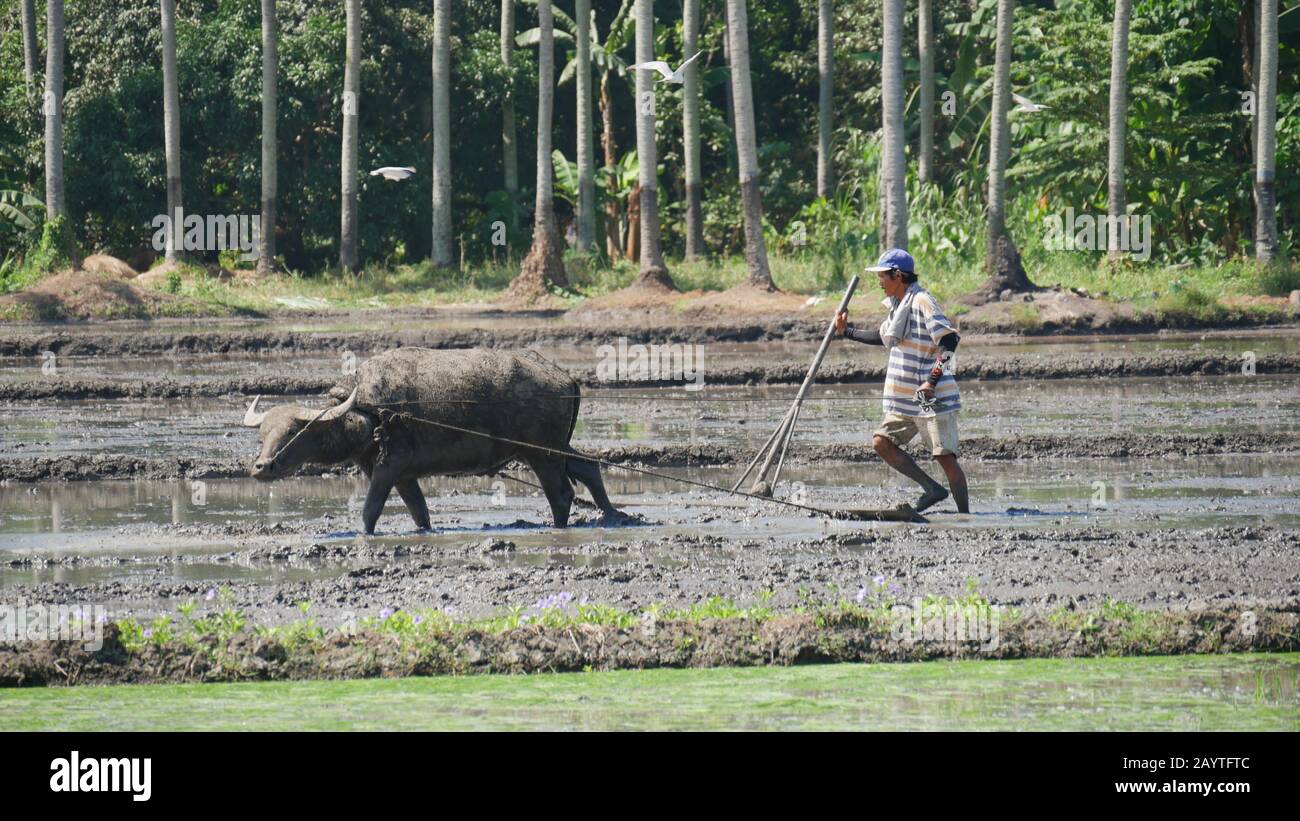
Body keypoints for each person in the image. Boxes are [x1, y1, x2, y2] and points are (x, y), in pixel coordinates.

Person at [835, 249, 969, 513]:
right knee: (881, 442)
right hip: (904, 399)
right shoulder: (898, 306)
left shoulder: (921, 301)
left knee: (945, 458)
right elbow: (881, 336)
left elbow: (950, 340)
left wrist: (931, 382)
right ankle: (932, 489)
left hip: (930, 398)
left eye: (883, 276)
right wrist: (846, 331)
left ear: (898, 275)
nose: (880, 282)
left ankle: (965, 516)